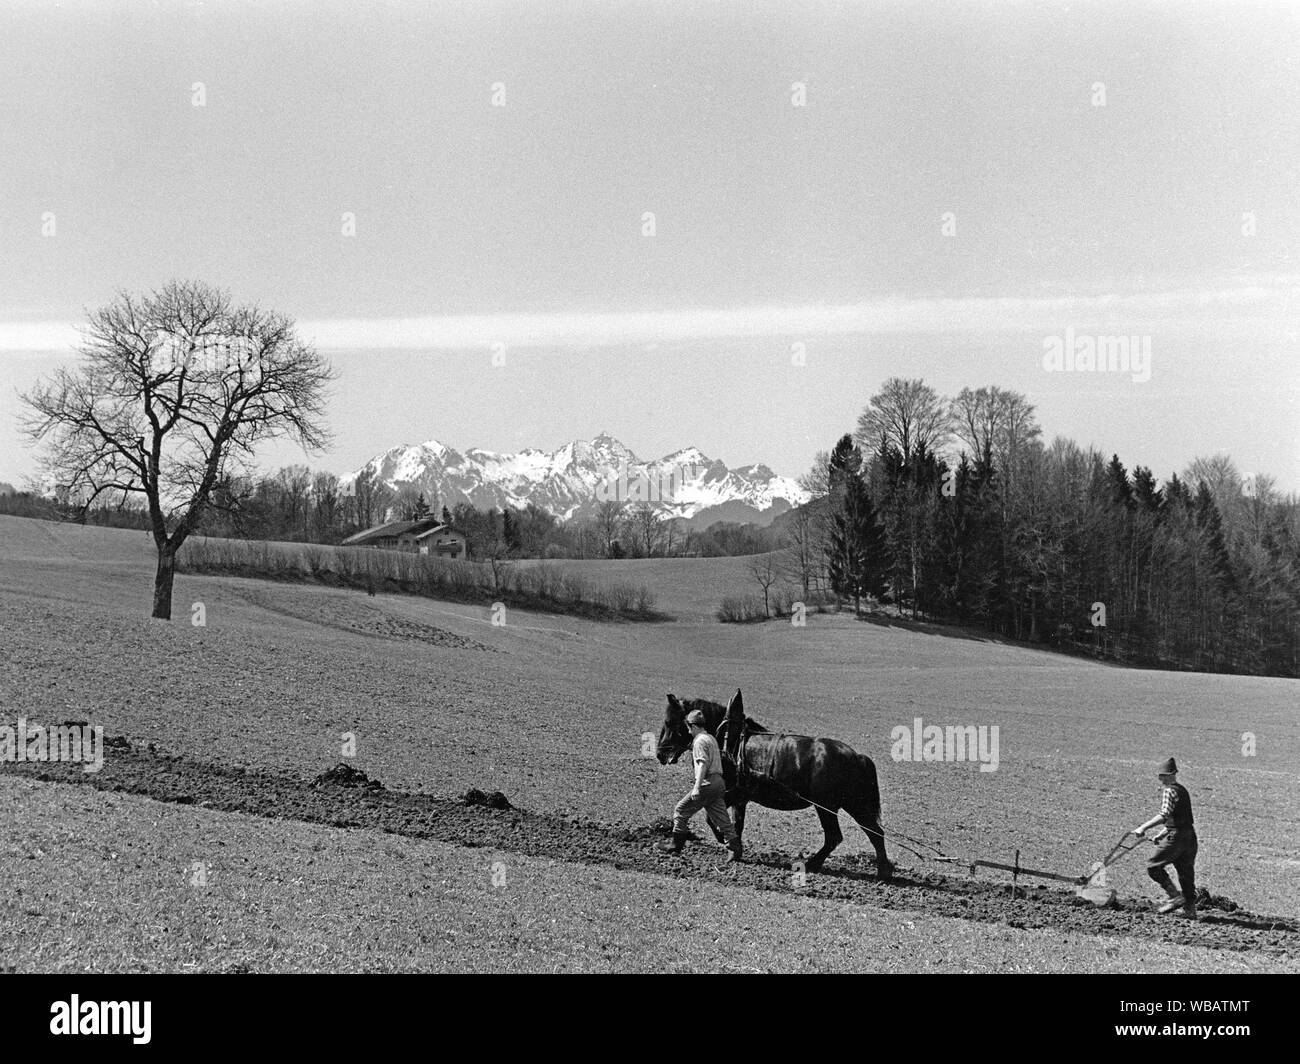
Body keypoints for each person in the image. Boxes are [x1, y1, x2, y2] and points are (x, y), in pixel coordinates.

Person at [659, 710, 743, 862]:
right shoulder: (711, 738)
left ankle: (675, 845)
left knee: (680, 811)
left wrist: (697, 787)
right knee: (722, 819)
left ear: (693, 726)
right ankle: (734, 849)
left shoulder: (699, 741)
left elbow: (702, 763)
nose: (689, 731)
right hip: (719, 782)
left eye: (689, 728)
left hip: (708, 782)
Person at [1131, 757, 1198, 920]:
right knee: (1185, 873)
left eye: (1162, 776)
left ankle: (1175, 897)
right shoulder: (1182, 790)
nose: (1160, 779)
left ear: (1169, 775)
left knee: (1153, 866)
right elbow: (1180, 818)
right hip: (1190, 837)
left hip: (1177, 838)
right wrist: (1161, 834)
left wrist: (1143, 827)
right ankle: (1190, 910)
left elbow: (1164, 814)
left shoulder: (1169, 791)